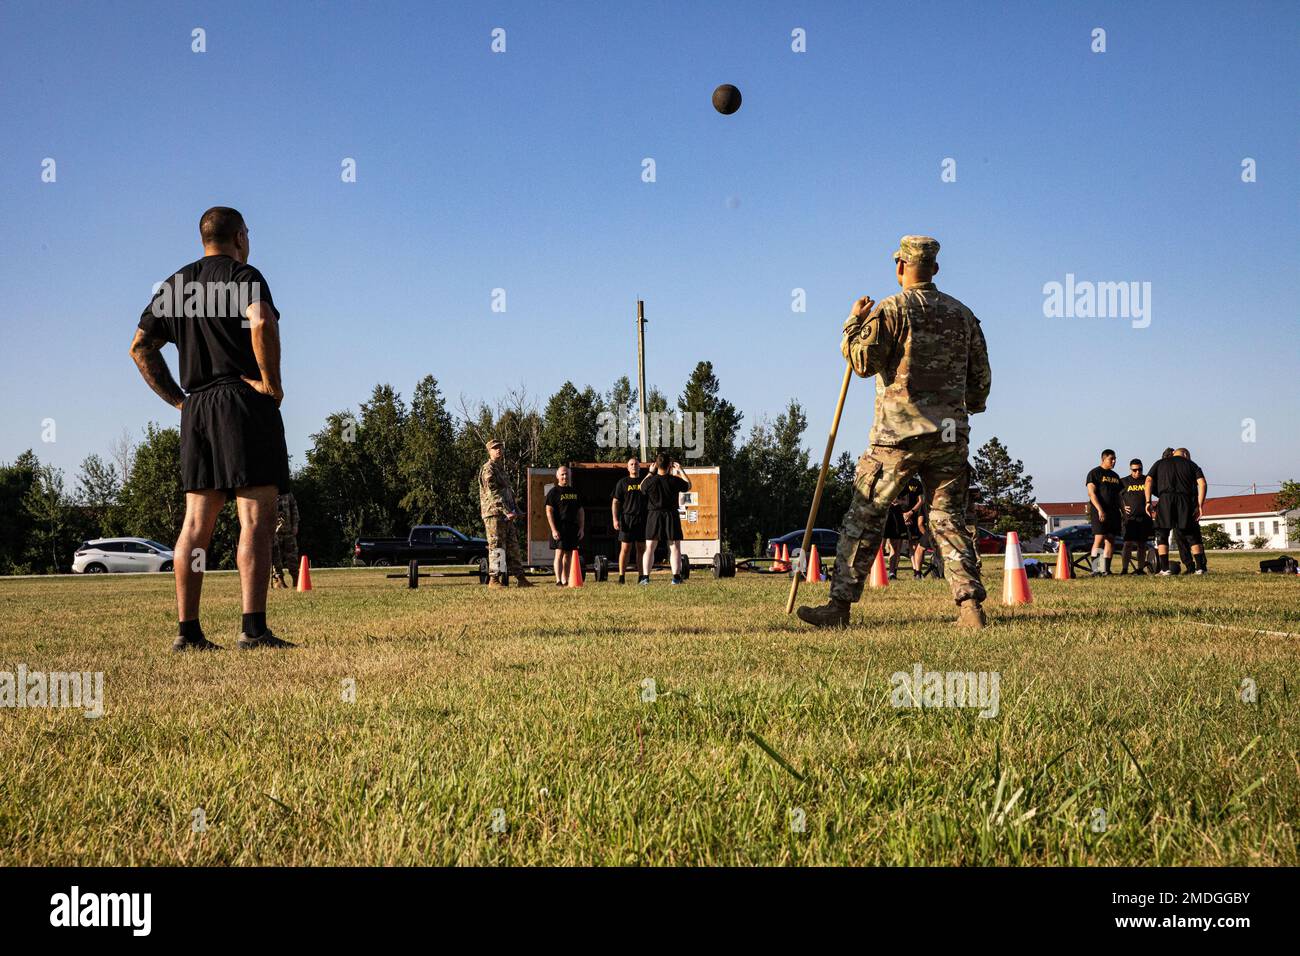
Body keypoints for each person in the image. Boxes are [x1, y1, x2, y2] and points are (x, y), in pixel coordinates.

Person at [798, 235, 991, 629]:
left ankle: (839, 607)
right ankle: (970, 607)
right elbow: (981, 382)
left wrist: (853, 322)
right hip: (950, 435)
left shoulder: (890, 309)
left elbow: (863, 362)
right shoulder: (963, 315)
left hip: (896, 435)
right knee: (948, 518)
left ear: (900, 266)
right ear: (935, 268)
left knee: (866, 516)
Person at [130, 206, 294, 651]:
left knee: (196, 526)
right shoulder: (244, 276)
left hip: (197, 406)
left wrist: (180, 400)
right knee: (256, 521)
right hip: (242, 400)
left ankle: (189, 632)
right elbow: (261, 321)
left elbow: (140, 347)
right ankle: (253, 629)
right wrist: (271, 384)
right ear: (240, 236)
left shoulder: (175, 285)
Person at [479, 438, 533, 589]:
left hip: (506, 515)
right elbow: (493, 493)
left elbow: (508, 493)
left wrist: (517, 510)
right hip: (494, 514)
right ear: (489, 451)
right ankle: (494, 580)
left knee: (513, 546)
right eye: (495, 448)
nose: (498, 450)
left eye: (500, 448)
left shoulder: (500, 469)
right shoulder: (488, 469)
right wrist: (506, 511)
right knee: (496, 546)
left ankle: (521, 578)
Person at [1146, 447, 1208, 575]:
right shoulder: (1191, 464)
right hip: (1184, 500)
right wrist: (1200, 505)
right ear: (1185, 455)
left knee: (1162, 535)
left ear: (1174, 453)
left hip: (1165, 499)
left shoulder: (1159, 463)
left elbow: (1148, 480)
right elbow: (1202, 483)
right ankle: (1200, 568)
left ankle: (1164, 569)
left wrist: (1148, 501)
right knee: (1191, 535)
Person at [640, 453, 691, 585]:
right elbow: (689, 485)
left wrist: (650, 472)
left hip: (654, 515)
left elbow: (641, 487)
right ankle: (676, 578)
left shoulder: (651, 480)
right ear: (669, 465)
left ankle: (645, 578)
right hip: (670, 515)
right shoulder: (674, 480)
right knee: (674, 547)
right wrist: (681, 470)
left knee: (650, 547)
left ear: (656, 465)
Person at [1085, 449, 1122, 575]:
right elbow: (1091, 493)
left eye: (1115, 458)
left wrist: (1123, 510)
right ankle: (1096, 569)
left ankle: (1106, 569)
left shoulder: (1115, 476)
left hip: (1114, 512)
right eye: (1111, 459)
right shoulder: (1094, 473)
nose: (1114, 461)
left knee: (1110, 539)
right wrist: (1100, 509)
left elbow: (1119, 496)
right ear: (1103, 459)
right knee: (1099, 538)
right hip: (1099, 511)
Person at [545, 465, 584, 586]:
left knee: (568, 554)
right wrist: (553, 529)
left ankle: (565, 579)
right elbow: (549, 511)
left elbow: (580, 511)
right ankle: (558, 580)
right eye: (562, 474)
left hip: (572, 527)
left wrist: (581, 528)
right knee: (559, 552)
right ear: (557, 476)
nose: (565, 476)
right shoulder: (553, 492)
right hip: (559, 527)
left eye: (566, 474)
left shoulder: (574, 492)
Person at [611, 457, 646, 584]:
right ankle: (621, 577)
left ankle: (642, 577)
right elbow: (615, 502)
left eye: (636, 464)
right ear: (627, 467)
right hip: (627, 519)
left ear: (639, 466)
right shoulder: (622, 482)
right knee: (625, 549)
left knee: (641, 549)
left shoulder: (645, 481)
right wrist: (615, 519)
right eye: (631, 464)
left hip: (642, 519)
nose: (634, 466)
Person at [1119, 459, 1152, 575]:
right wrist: (1122, 507)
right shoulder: (1123, 481)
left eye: (1140, 469)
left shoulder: (1147, 480)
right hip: (1130, 519)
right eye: (1135, 470)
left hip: (1144, 518)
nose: (1137, 472)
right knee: (1127, 544)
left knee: (1142, 545)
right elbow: (1115, 497)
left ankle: (1140, 569)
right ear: (1130, 469)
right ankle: (1124, 569)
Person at [270, 491, 300, 588]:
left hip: (288, 530)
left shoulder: (287, 493)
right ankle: (279, 580)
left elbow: (294, 508)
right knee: (276, 557)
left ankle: (296, 578)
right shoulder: (268, 492)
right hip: (273, 531)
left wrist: (295, 525)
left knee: (292, 556)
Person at [883, 491, 909, 579]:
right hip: (884, 515)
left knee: (895, 547)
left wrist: (899, 502)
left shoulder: (903, 488)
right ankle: (874, 571)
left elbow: (906, 502)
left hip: (896, 518)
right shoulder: (884, 484)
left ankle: (892, 573)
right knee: (879, 547)